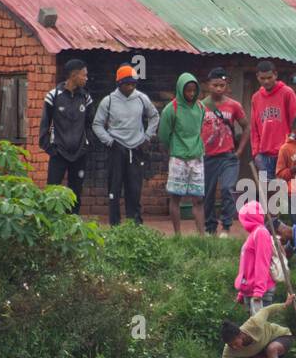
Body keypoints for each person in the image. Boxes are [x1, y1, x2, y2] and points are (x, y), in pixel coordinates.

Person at [92, 64, 159, 225]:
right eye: (127, 84)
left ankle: (134, 225)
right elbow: (97, 124)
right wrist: (110, 141)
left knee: (134, 189)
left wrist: (147, 137)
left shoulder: (142, 98)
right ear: (119, 83)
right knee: (114, 189)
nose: (131, 87)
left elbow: (154, 116)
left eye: (133, 84)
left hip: (136, 149)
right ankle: (115, 225)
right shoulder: (108, 101)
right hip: (117, 148)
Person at [212, 292, 296, 358]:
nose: (235, 348)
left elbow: (266, 310)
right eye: (231, 345)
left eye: (235, 343)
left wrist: (285, 305)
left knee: (271, 349)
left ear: (240, 335)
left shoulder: (254, 323)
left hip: (280, 337)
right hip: (261, 350)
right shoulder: (229, 350)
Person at [38, 58, 96, 213]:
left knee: (76, 192)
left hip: (79, 154)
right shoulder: (53, 96)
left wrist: (86, 145)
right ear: (74, 75)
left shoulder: (86, 98)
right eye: (84, 75)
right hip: (58, 153)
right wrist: (50, 148)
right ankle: (50, 226)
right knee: (52, 191)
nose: (86, 78)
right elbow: (45, 125)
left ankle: (73, 225)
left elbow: (90, 124)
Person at [157, 72, 207, 236]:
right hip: (178, 158)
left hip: (197, 157)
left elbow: (199, 129)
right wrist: (175, 148)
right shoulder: (171, 109)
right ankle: (177, 234)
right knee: (176, 197)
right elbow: (164, 134)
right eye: (188, 91)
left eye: (194, 90)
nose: (191, 94)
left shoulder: (200, 108)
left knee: (198, 198)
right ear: (180, 90)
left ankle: (201, 235)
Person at [200, 67, 247, 238]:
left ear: (226, 85)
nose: (218, 88)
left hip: (228, 156)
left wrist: (240, 150)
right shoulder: (201, 106)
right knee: (208, 193)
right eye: (215, 85)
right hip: (208, 156)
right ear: (208, 85)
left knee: (228, 189)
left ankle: (226, 227)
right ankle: (210, 227)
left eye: (222, 85)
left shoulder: (234, 105)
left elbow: (246, 126)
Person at [249, 59, 296, 191]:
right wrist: (256, 152)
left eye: (269, 77)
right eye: (262, 78)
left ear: (276, 75)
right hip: (264, 155)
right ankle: (271, 213)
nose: (266, 81)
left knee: (286, 191)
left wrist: (291, 144)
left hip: (284, 153)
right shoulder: (256, 98)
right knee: (269, 193)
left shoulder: (287, 93)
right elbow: (254, 128)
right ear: (257, 77)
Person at [234, 200, 276, 315]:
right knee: (253, 329)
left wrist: (259, 290)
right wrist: (242, 292)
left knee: (258, 330)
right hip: (250, 290)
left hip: (259, 292)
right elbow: (247, 267)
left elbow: (262, 263)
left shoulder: (261, 233)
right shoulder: (253, 234)